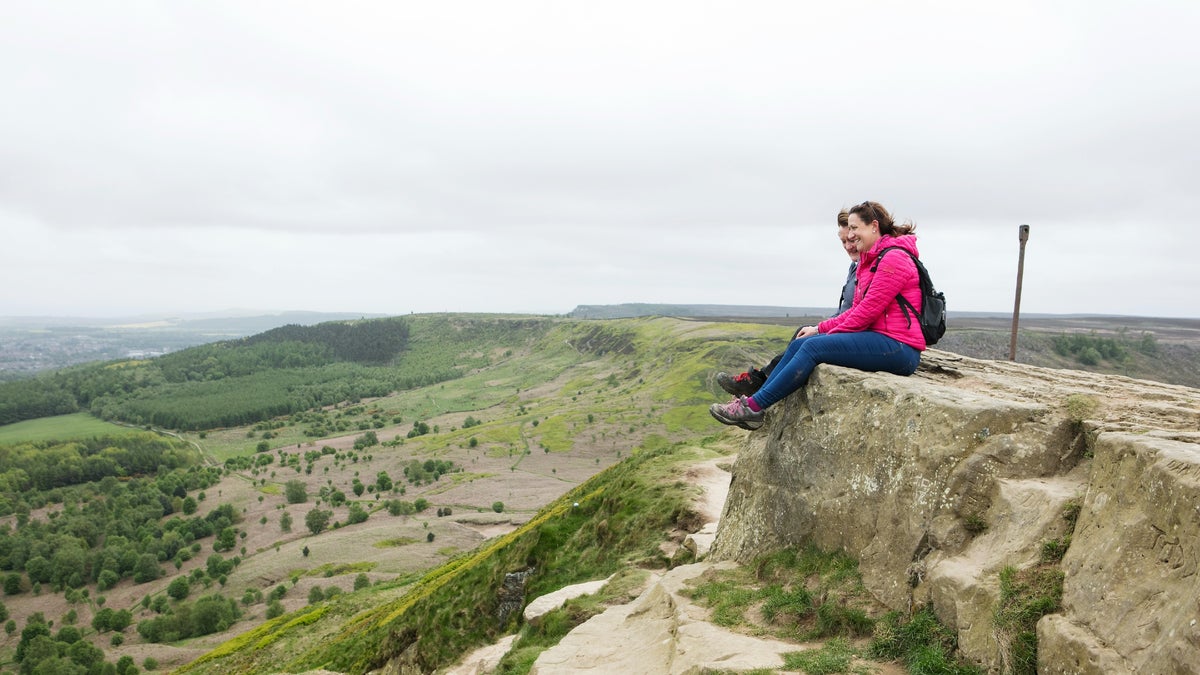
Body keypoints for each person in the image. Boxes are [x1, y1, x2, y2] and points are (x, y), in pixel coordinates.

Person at [710, 200, 926, 429]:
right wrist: (818, 329)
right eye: (848, 229)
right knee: (801, 343)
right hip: (881, 339)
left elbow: (865, 313)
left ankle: (753, 407)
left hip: (899, 348)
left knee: (813, 347)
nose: (851, 235)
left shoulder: (894, 258)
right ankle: (752, 406)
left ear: (873, 226)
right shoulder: (871, 259)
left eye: (854, 228)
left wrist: (824, 335)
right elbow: (856, 310)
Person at [716, 209, 859, 398]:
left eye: (851, 240)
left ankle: (760, 386)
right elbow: (846, 310)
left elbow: (860, 312)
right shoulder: (855, 266)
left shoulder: (871, 267)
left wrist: (821, 329)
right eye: (843, 241)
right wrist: (819, 327)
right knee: (803, 330)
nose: (848, 246)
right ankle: (760, 380)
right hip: (846, 328)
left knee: (807, 341)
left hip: (854, 333)